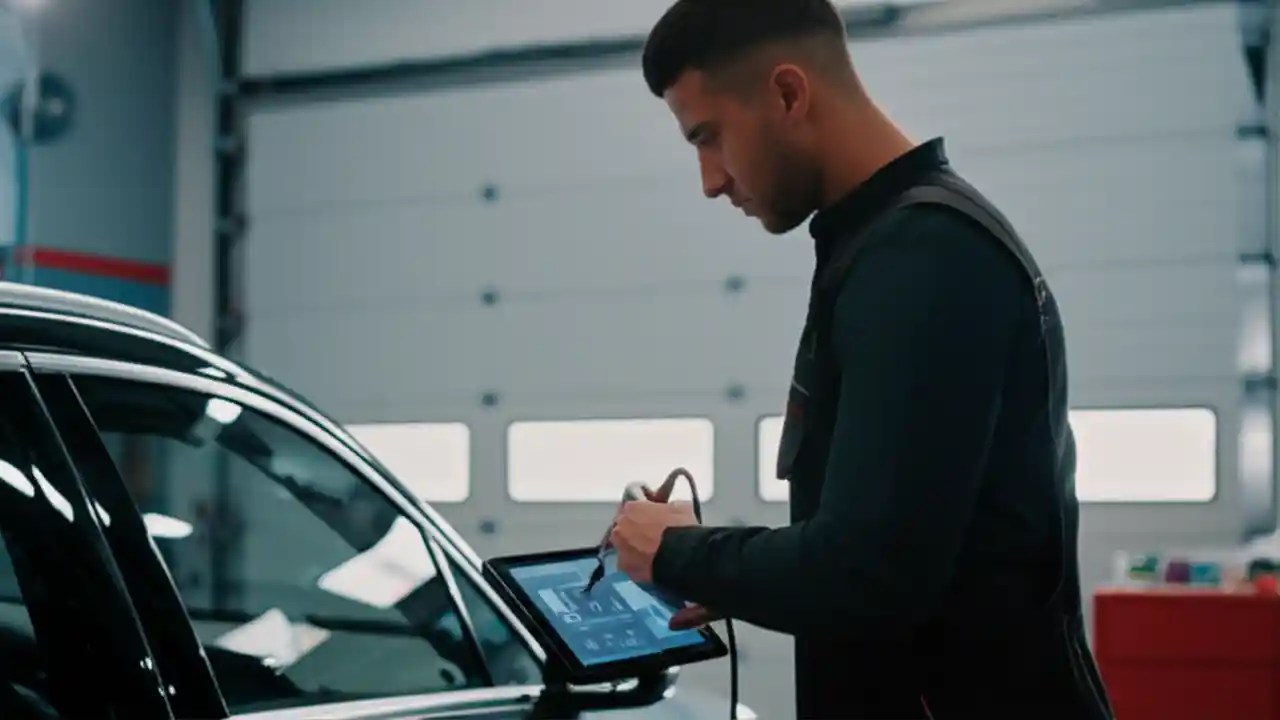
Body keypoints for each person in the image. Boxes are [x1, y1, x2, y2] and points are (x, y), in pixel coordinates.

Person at [607, 1, 1116, 718]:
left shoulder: (924, 256)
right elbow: (890, 538)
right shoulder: (883, 247)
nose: (709, 180)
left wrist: (680, 552)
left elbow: (866, 573)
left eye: (708, 137)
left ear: (788, 93)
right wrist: (719, 568)